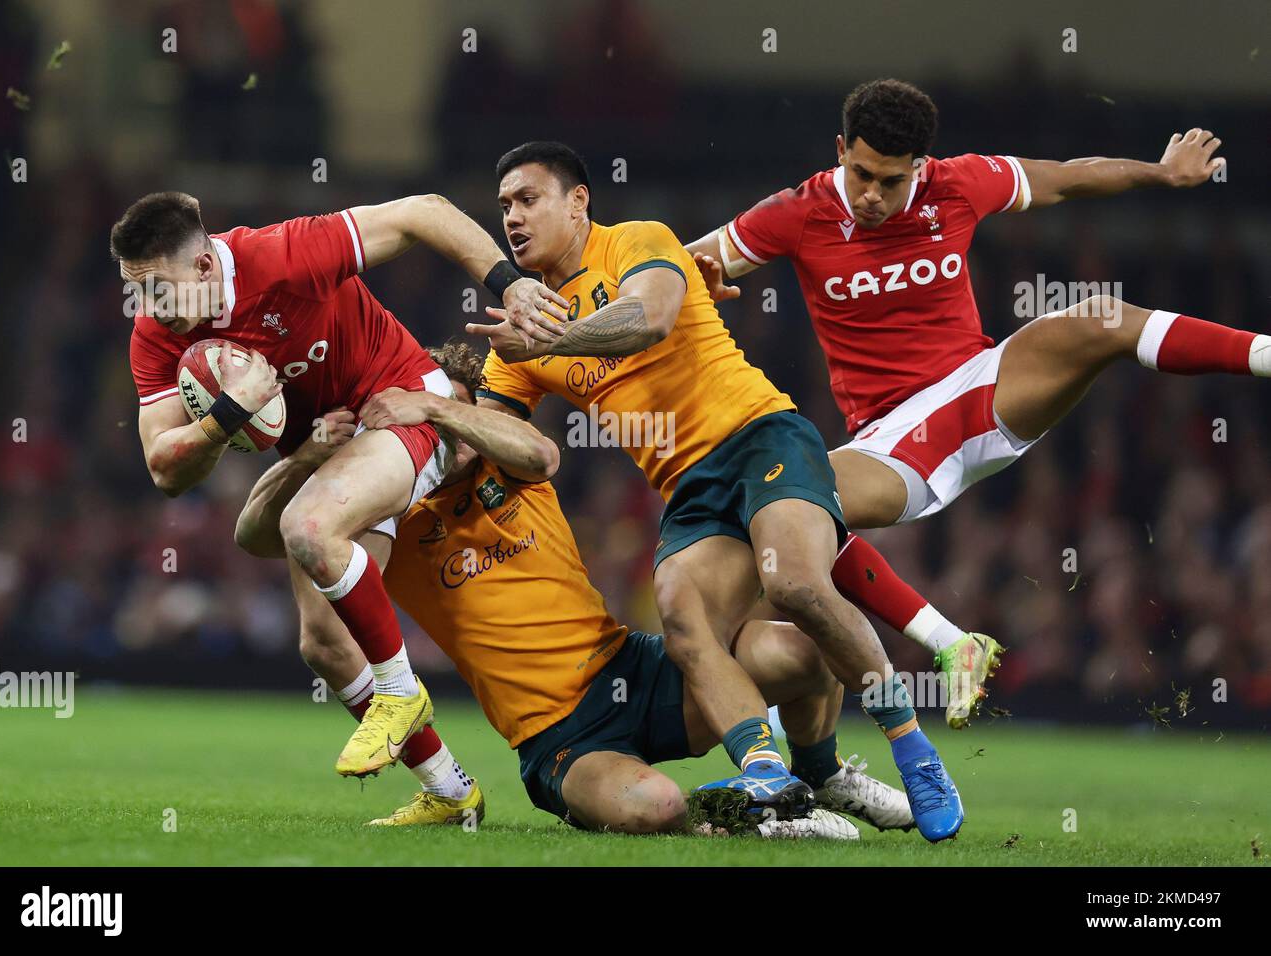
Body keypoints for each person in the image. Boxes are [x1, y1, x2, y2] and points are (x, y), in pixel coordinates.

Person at [686, 78, 1239, 723]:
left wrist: (1160, 173)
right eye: (860, 174)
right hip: (891, 447)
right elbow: (688, 262)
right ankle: (951, 648)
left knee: (1102, 319)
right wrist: (692, 277)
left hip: (979, 392)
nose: (870, 195)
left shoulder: (959, 183)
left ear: (919, 167)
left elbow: (1066, 178)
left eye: (889, 182)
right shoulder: (796, 212)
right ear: (840, 150)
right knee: (782, 513)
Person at [466, 141, 963, 840]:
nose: (512, 219)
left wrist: (554, 341)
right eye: (504, 208)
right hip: (689, 486)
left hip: (761, 433)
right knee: (680, 609)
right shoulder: (514, 340)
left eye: (528, 199)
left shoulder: (637, 240)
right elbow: (504, 443)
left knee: (794, 583)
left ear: (579, 202)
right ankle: (769, 769)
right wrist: (437, 413)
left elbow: (650, 319)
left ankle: (914, 748)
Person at [240, 340, 914, 836]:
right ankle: (753, 821)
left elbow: (542, 452)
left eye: (450, 412)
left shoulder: (513, 464)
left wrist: (436, 407)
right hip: (558, 739)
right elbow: (256, 535)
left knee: (805, 652)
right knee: (657, 807)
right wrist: (307, 456)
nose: (438, 429)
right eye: (422, 420)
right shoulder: (391, 519)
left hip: (636, 669)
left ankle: (821, 775)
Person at [116, 190, 568, 780]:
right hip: (334, 452)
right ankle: (448, 790)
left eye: (156, 287)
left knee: (307, 525)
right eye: (136, 291)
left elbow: (423, 211)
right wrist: (225, 415)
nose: (146, 306)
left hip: (400, 400)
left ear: (203, 265)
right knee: (324, 645)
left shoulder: (282, 255)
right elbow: (163, 467)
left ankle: (400, 693)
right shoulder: (155, 332)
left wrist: (507, 283)